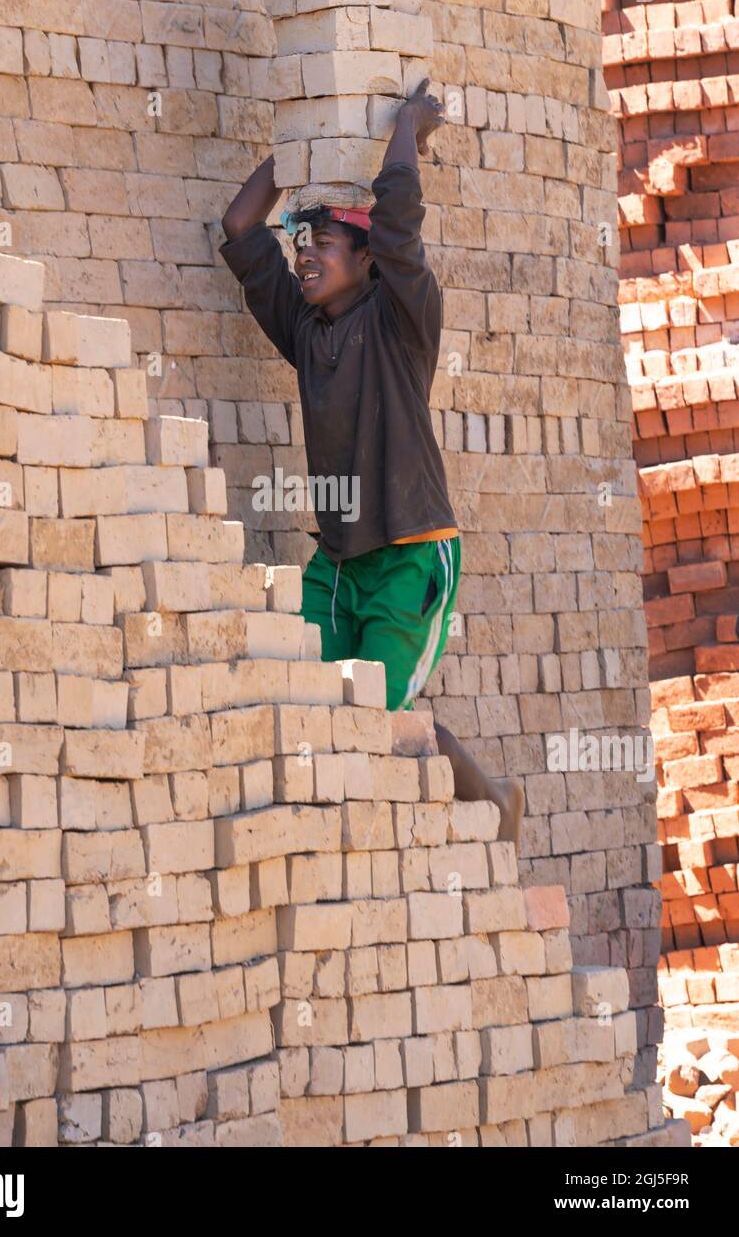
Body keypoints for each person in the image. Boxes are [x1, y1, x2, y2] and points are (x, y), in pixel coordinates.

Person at [220, 79, 524, 850]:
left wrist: (405, 129)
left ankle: (491, 801)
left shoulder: (402, 321)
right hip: (338, 563)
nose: (306, 258)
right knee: (315, 705)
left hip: (410, 558)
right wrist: (302, 147)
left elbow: (399, 230)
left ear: (364, 259)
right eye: (302, 247)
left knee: (377, 719)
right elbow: (238, 224)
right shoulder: (305, 327)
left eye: (323, 246)